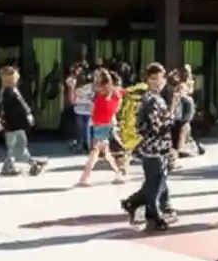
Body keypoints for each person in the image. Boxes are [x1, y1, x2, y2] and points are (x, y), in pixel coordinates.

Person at [129, 63, 179, 231]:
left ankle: (143, 206)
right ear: (147, 80)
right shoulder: (152, 100)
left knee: (156, 180)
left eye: (160, 78)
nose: (157, 82)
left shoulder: (155, 98)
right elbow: (160, 126)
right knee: (156, 182)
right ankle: (152, 213)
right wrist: (172, 109)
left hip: (159, 146)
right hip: (153, 147)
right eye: (153, 79)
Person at [0, 66, 46, 176]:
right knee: (17, 147)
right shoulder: (12, 91)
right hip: (17, 123)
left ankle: (29, 164)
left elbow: (6, 108)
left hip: (12, 124)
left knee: (15, 147)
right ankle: (11, 166)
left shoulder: (7, 91)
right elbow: (20, 106)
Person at [77, 68, 125, 186]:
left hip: (100, 124)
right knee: (105, 152)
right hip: (106, 123)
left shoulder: (99, 96)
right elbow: (117, 106)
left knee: (97, 151)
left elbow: (93, 111)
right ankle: (118, 174)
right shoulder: (113, 94)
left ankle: (85, 176)